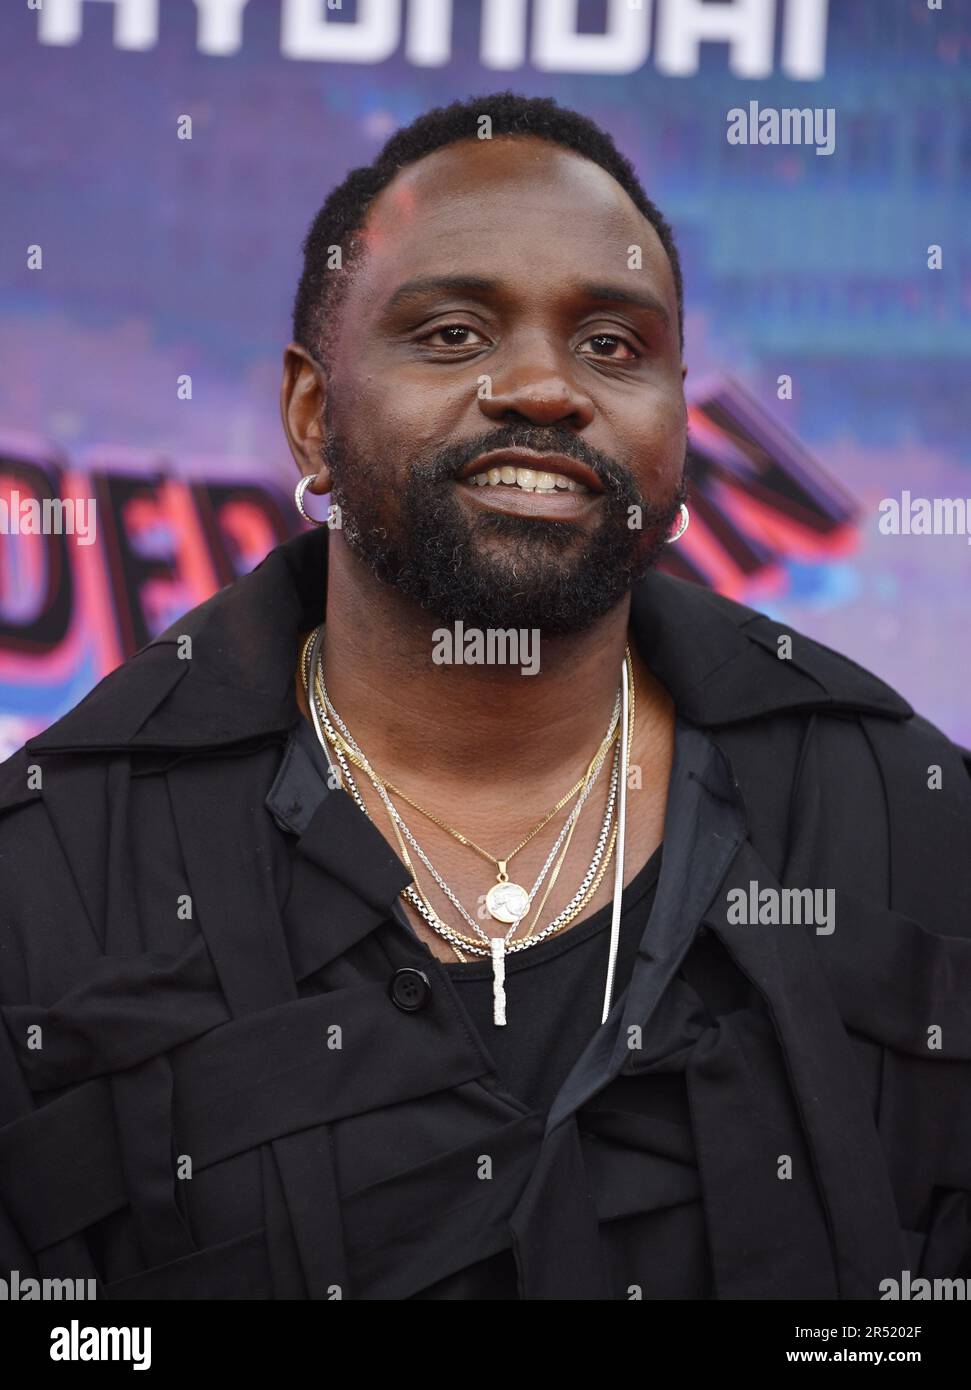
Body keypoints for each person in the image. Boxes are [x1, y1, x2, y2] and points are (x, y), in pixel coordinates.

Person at [1, 92, 969, 1302]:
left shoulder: (911, 817)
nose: (542, 388)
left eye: (613, 345)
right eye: (453, 333)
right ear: (313, 415)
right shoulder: (51, 868)